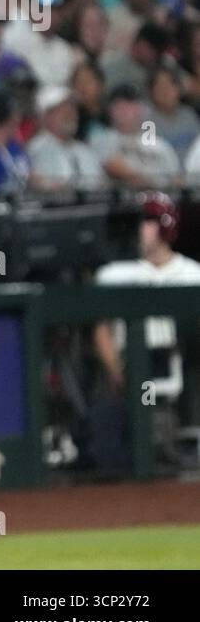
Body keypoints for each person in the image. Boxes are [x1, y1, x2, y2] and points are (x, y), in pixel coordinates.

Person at [90, 194, 199, 471]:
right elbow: (101, 331)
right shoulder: (115, 274)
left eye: (147, 221)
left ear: (165, 225)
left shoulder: (192, 274)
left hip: (180, 365)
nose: (139, 228)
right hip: (126, 367)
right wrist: (119, 373)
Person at [26, 85, 106, 190]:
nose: (70, 113)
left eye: (72, 107)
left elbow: (102, 186)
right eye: (61, 108)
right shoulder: (35, 151)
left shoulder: (86, 151)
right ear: (44, 116)